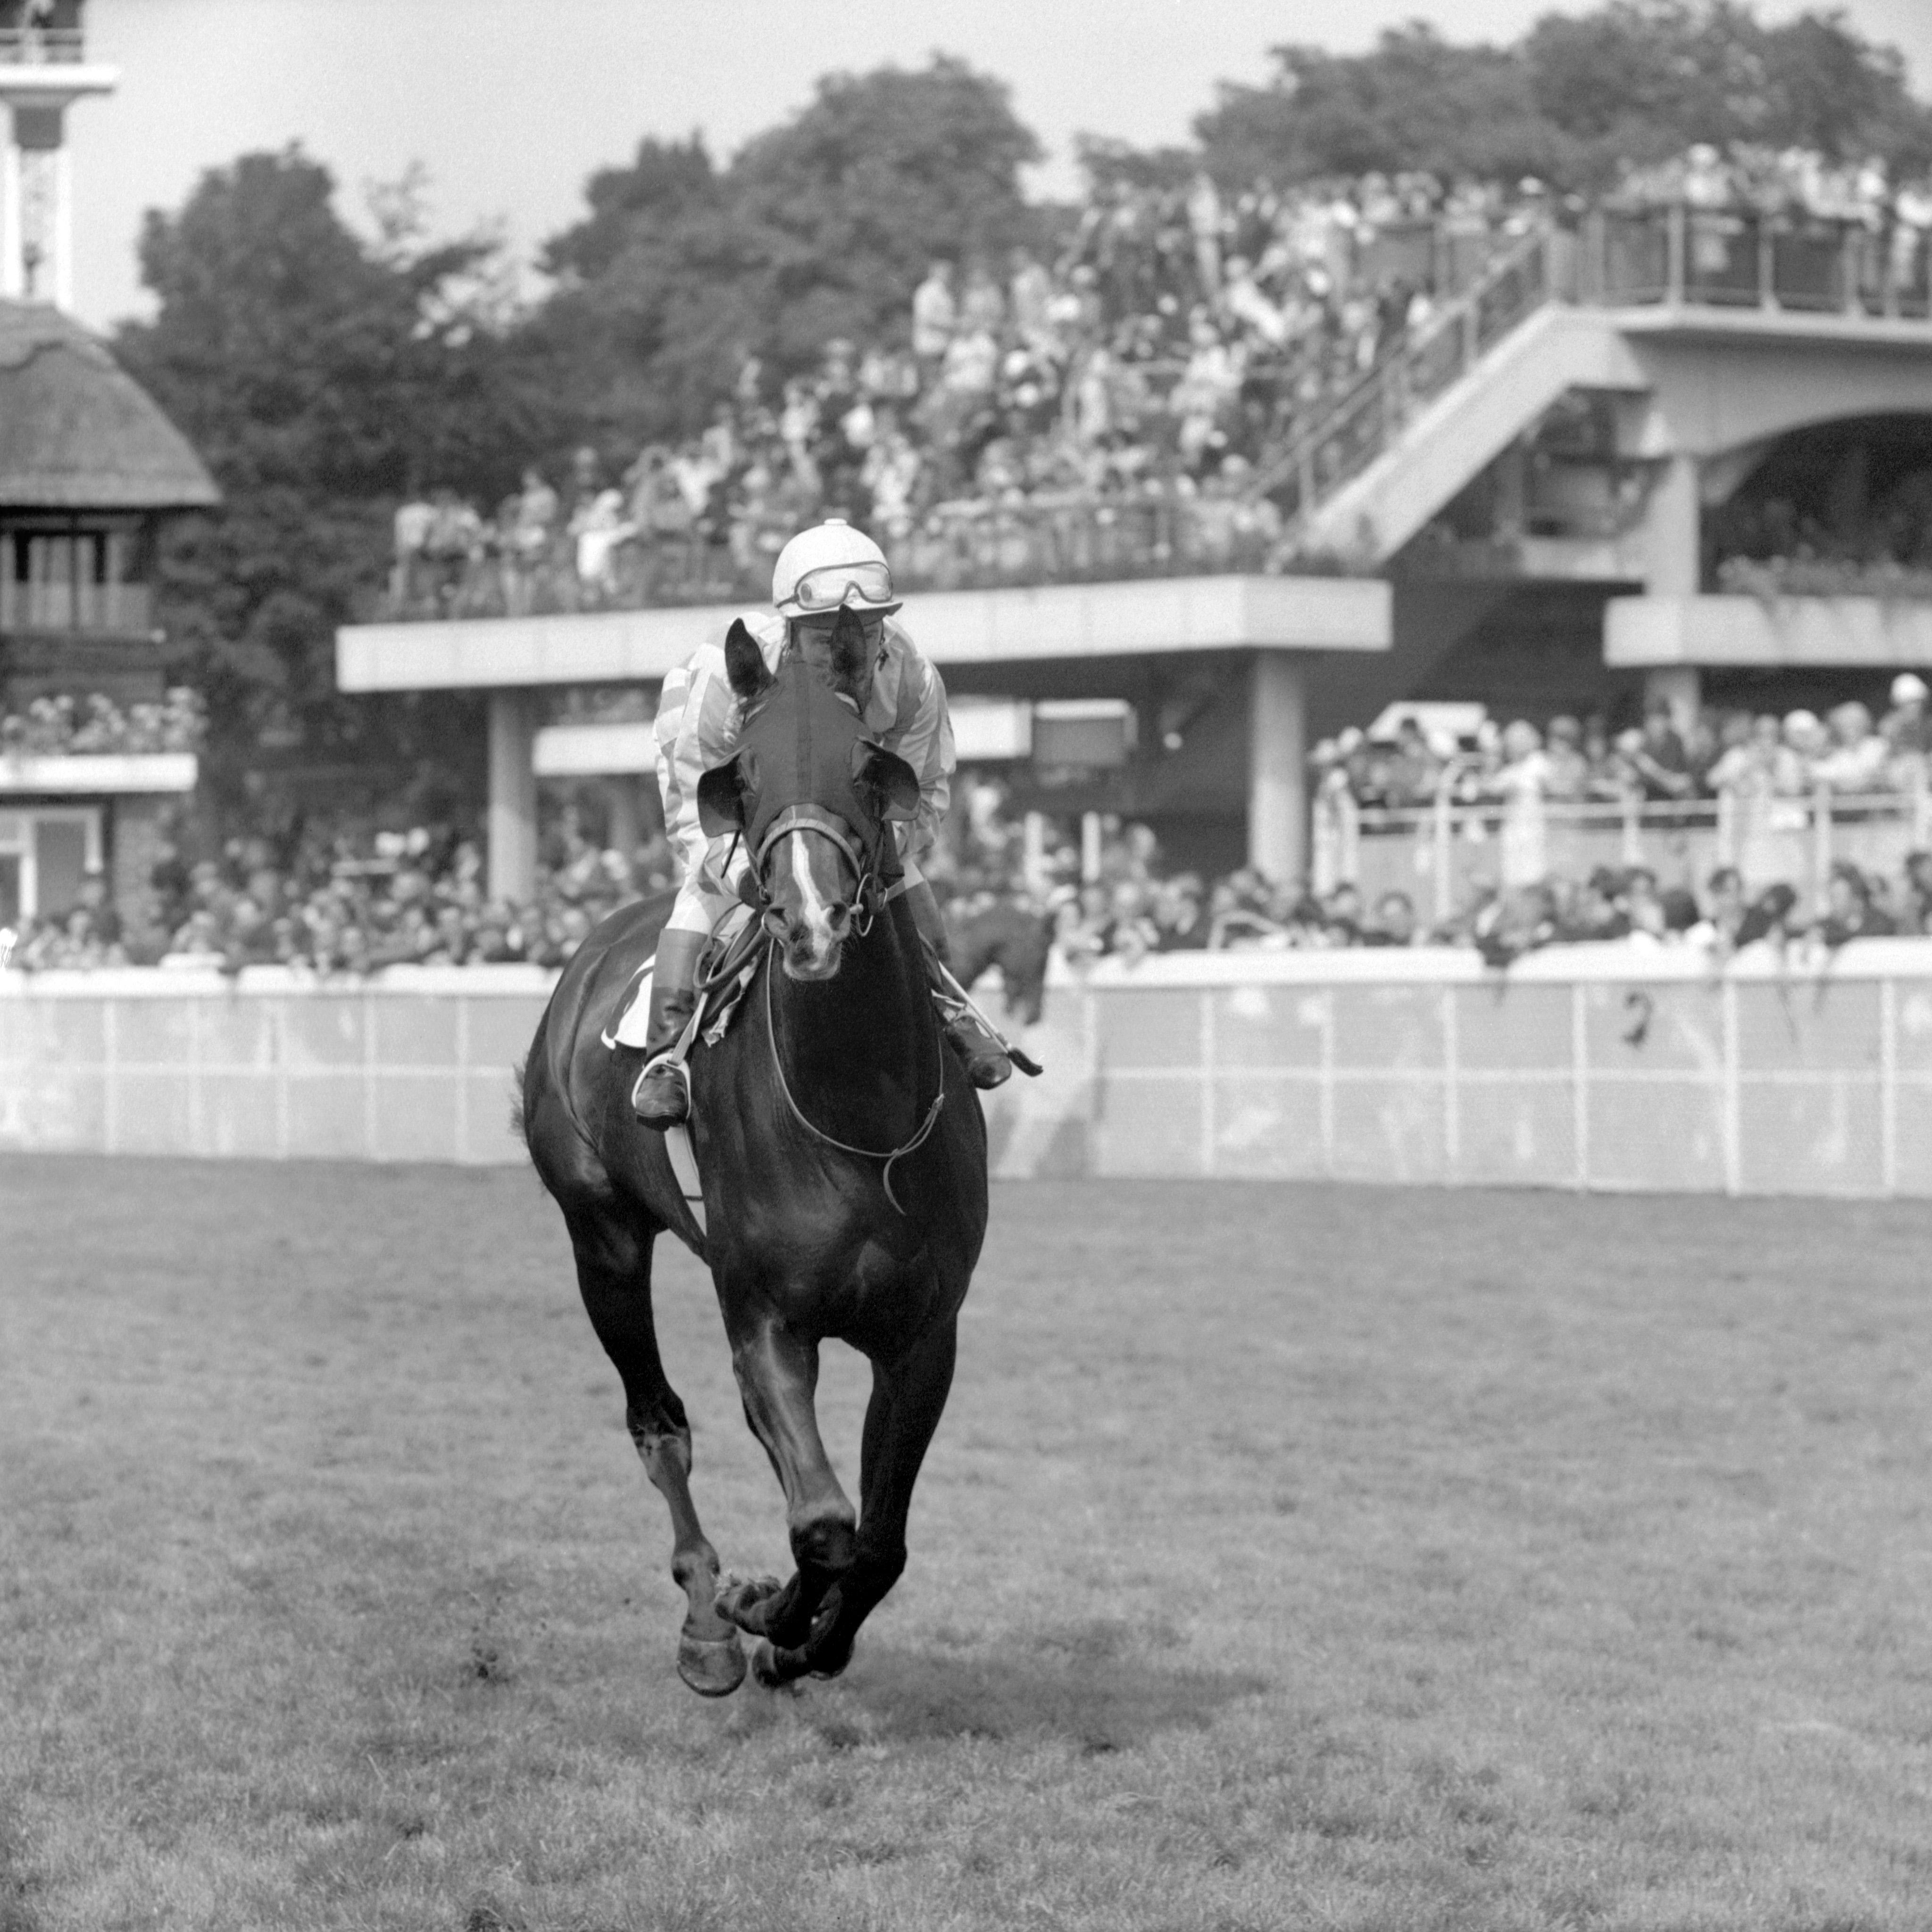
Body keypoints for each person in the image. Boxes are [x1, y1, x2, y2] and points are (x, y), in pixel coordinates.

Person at [632, 517, 1013, 1128]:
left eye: (868, 627)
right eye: (825, 633)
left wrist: (873, 859)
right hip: (742, 803)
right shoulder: (723, 678)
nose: (850, 647)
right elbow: (693, 807)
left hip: (851, 819)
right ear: (790, 626)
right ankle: (666, 1054)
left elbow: (923, 792)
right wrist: (753, 881)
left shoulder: (912, 678)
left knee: (917, 902)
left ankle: (951, 1005)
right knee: (703, 897)